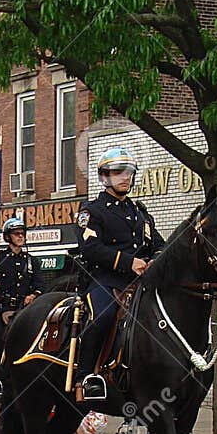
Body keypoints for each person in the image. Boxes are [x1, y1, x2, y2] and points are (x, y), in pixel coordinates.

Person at [76, 145, 160, 400]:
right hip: (106, 280)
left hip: (141, 283)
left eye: (129, 172)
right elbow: (90, 248)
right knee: (102, 317)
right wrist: (128, 262)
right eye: (118, 172)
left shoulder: (140, 214)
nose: (125, 177)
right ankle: (86, 377)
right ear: (104, 177)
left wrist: (155, 260)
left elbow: (160, 245)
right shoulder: (92, 211)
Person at [0, 216, 42, 397]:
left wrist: (34, 295)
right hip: (1, 310)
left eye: (22, 233)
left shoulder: (31, 262)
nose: (21, 236)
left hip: (24, 311)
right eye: (16, 234)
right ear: (8, 237)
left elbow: (40, 285)